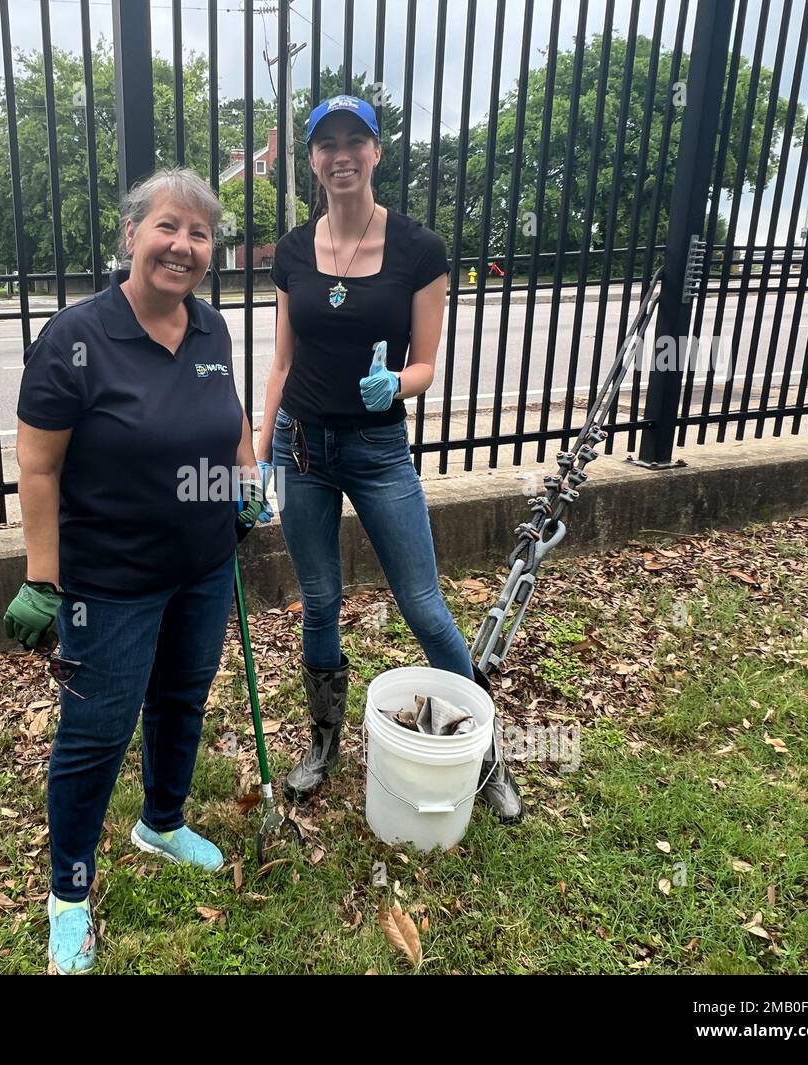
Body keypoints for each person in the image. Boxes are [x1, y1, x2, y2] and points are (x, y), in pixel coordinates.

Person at [3, 168, 266, 974]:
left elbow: (232, 418)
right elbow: (38, 466)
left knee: (182, 699)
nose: (182, 246)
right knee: (96, 735)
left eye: (199, 233)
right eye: (167, 227)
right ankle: (68, 895)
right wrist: (42, 578)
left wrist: (247, 482)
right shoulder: (75, 338)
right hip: (109, 582)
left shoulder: (211, 328)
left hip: (204, 565)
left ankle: (161, 821)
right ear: (131, 234)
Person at [256, 95, 523, 823]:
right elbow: (282, 363)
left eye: (356, 140)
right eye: (327, 144)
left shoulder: (418, 250)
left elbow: (427, 363)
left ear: (376, 152)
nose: (341, 155)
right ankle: (323, 742)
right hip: (302, 448)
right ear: (313, 159)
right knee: (319, 601)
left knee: (424, 605)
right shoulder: (292, 251)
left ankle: (486, 752)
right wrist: (262, 448)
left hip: (377, 450)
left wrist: (395, 384)